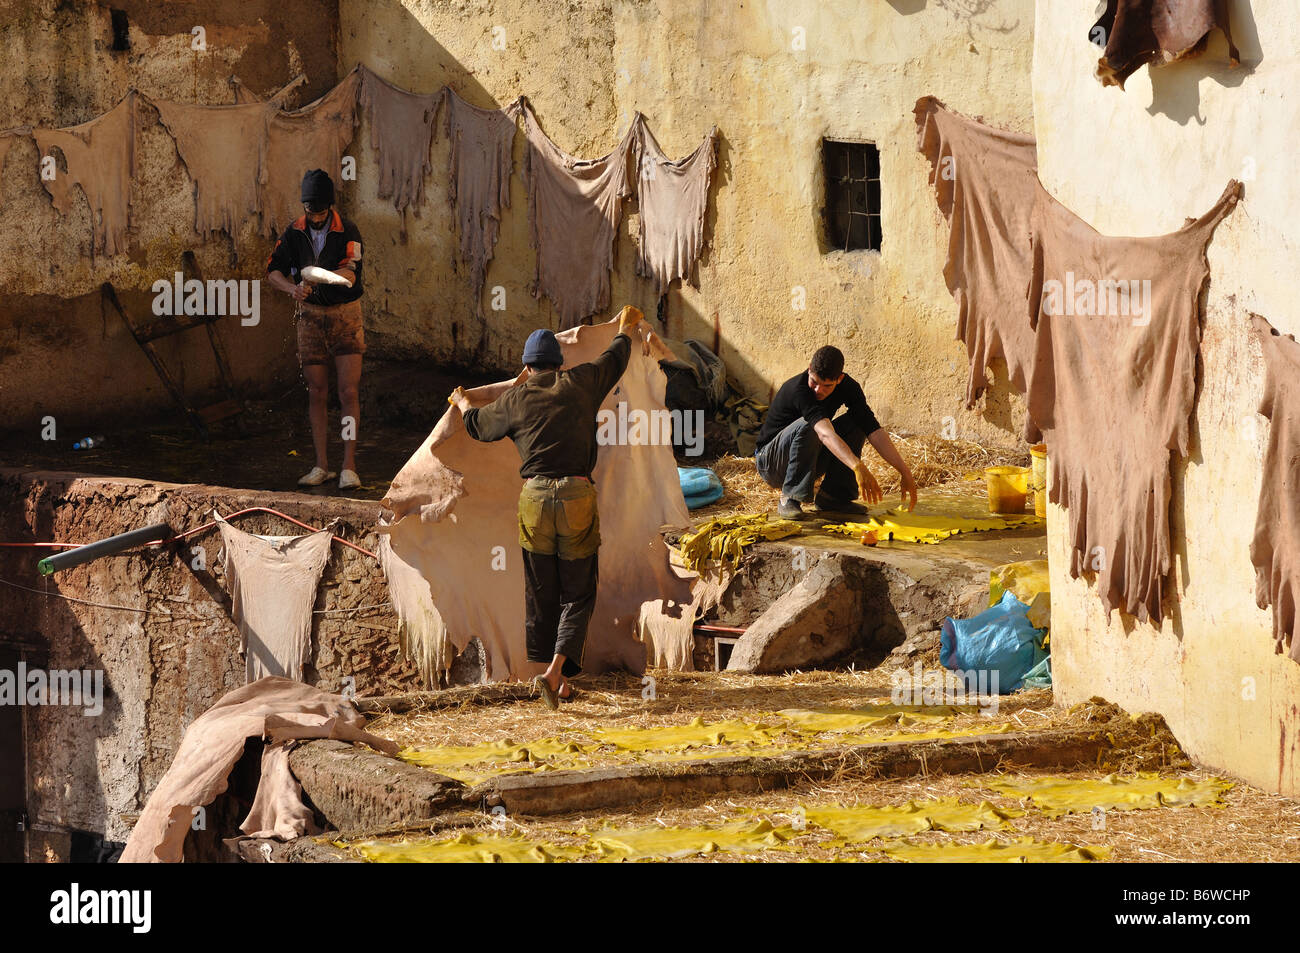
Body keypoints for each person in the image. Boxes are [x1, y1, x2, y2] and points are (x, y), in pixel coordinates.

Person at [450, 306, 646, 709]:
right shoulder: (581, 381)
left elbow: (476, 427)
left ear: (526, 366)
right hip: (575, 495)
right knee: (578, 592)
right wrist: (626, 328)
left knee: (542, 592)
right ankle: (556, 673)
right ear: (559, 364)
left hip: (534, 501)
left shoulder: (515, 399)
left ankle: (558, 681)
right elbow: (615, 358)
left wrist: (462, 402)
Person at [265, 169, 366, 491]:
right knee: (317, 391)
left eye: (321, 212)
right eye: (311, 211)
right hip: (309, 318)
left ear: (330, 207)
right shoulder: (293, 232)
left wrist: (317, 276)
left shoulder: (348, 230)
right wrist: (292, 289)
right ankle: (321, 465)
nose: (316, 217)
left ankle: (348, 465)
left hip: (346, 316)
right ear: (305, 208)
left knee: (348, 392)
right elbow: (272, 271)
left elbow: (350, 274)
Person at [754, 345, 917, 519]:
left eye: (827, 386)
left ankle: (833, 497)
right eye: (814, 382)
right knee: (812, 425)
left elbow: (874, 430)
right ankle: (790, 497)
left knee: (858, 420)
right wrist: (857, 466)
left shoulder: (849, 387)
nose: (818, 390)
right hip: (771, 463)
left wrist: (904, 472)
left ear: (839, 379)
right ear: (809, 369)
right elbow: (824, 433)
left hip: (807, 459)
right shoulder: (799, 390)